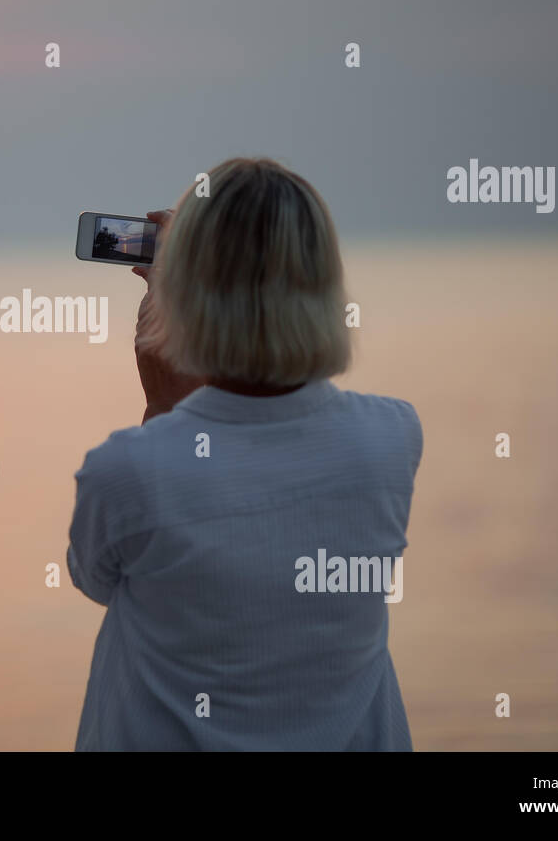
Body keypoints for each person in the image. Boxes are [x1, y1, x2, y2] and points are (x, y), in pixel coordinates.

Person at [67, 157, 422, 750]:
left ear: (182, 293)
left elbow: (93, 578)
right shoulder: (390, 438)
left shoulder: (129, 470)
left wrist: (164, 409)